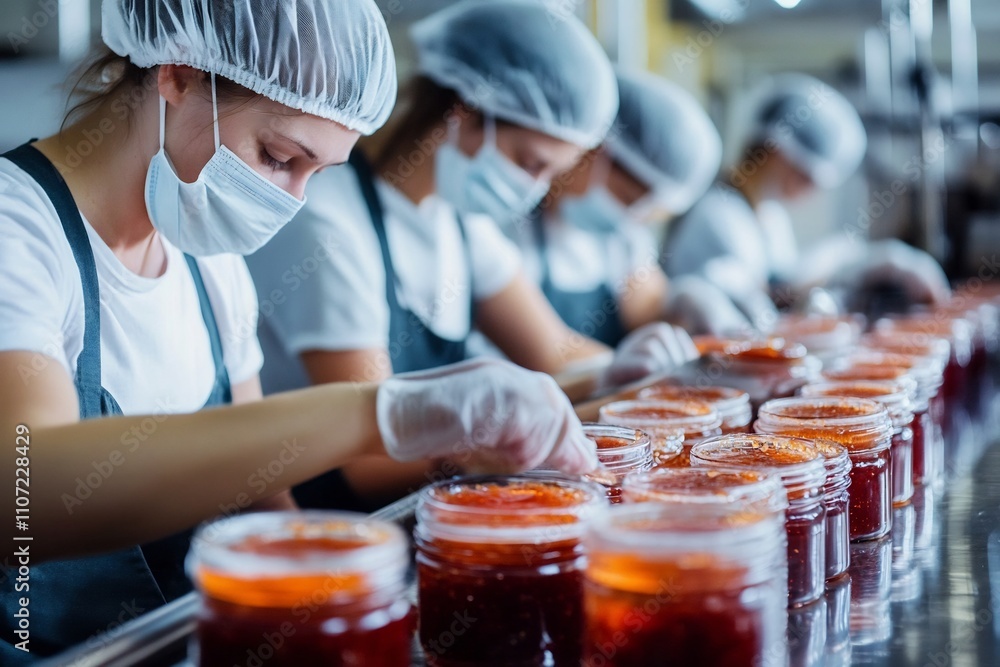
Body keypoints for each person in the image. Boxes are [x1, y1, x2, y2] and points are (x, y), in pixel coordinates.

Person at [0, 1, 598, 661]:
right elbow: (24, 490)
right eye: (280, 155)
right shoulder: (18, 227)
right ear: (178, 74)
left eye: (319, 173)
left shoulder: (210, 260)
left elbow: (257, 499)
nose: (293, 201)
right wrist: (384, 412)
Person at [246, 0, 697, 511]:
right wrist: (477, 453)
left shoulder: (457, 222)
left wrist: (620, 373)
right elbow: (367, 461)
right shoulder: (330, 224)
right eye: (530, 163)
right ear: (466, 115)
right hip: (342, 525)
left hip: (429, 505)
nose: (537, 189)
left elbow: (555, 351)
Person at [663, 73, 950, 329]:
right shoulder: (718, 215)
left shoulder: (768, 214)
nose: (810, 192)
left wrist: (860, 261)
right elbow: (760, 302)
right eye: (806, 177)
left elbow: (785, 286)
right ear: (776, 149)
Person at [505, 68, 749, 341]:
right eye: (627, 196)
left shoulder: (620, 240)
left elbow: (647, 309)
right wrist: (614, 368)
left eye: (647, 211)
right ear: (592, 150)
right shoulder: (512, 227)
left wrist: (684, 300)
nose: (630, 218)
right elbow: (548, 353)